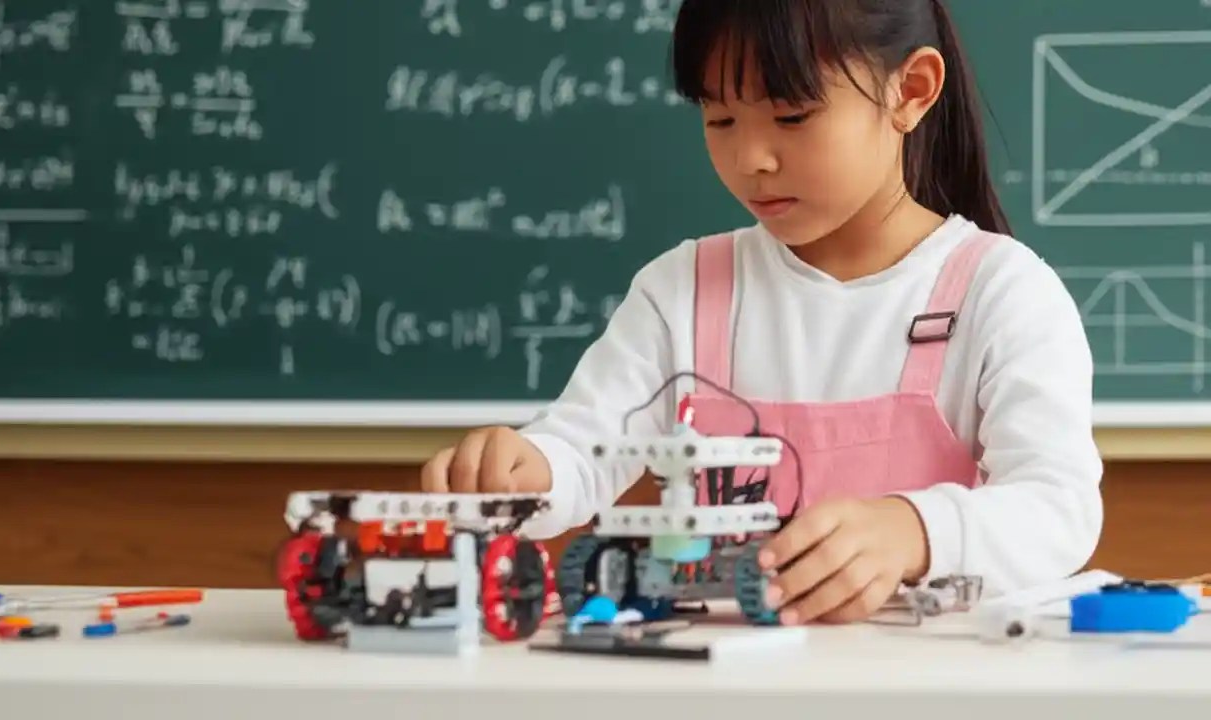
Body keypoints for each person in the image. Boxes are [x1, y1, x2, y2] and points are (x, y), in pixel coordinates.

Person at [420, 0, 1103, 626]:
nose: (750, 158)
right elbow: (584, 453)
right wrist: (525, 469)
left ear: (912, 90)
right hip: (721, 681)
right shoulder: (682, 290)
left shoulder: (1000, 292)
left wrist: (912, 530)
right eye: (719, 119)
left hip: (924, 686)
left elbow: (1058, 508)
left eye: (792, 116)